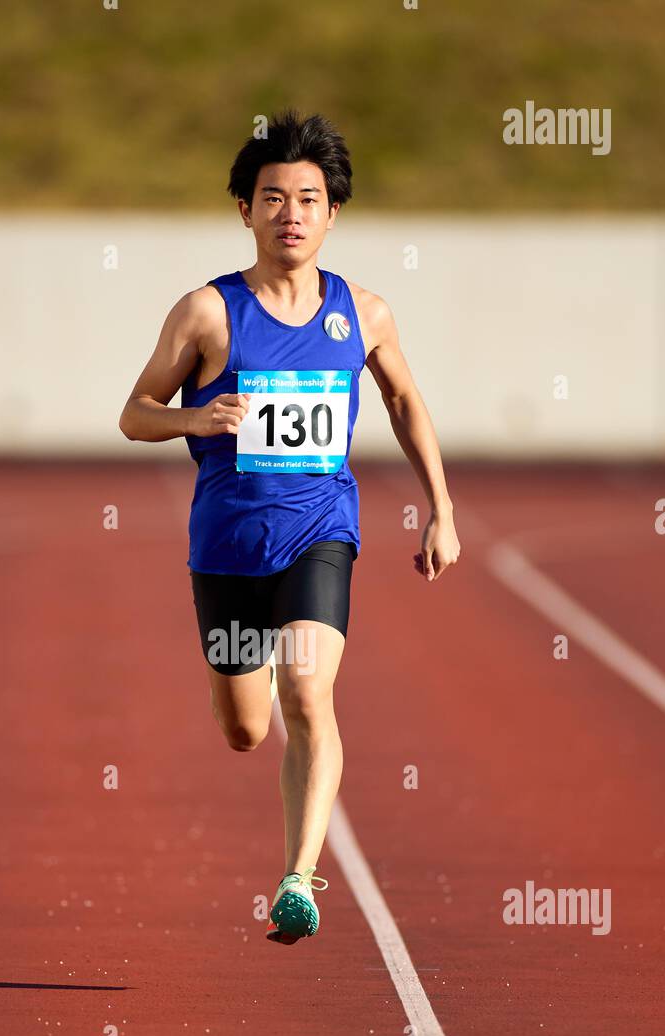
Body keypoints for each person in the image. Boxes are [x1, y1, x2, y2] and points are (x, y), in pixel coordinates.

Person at [119, 109, 460, 945]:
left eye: (308, 198)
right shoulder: (207, 313)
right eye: (273, 197)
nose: (291, 214)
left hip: (320, 531)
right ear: (245, 209)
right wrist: (196, 421)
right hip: (229, 545)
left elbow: (405, 400)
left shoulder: (362, 312)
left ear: (332, 212)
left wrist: (441, 509)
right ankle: (255, 683)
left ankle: (299, 878)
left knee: (309, 691)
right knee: (244, 730)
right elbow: (134, 414)